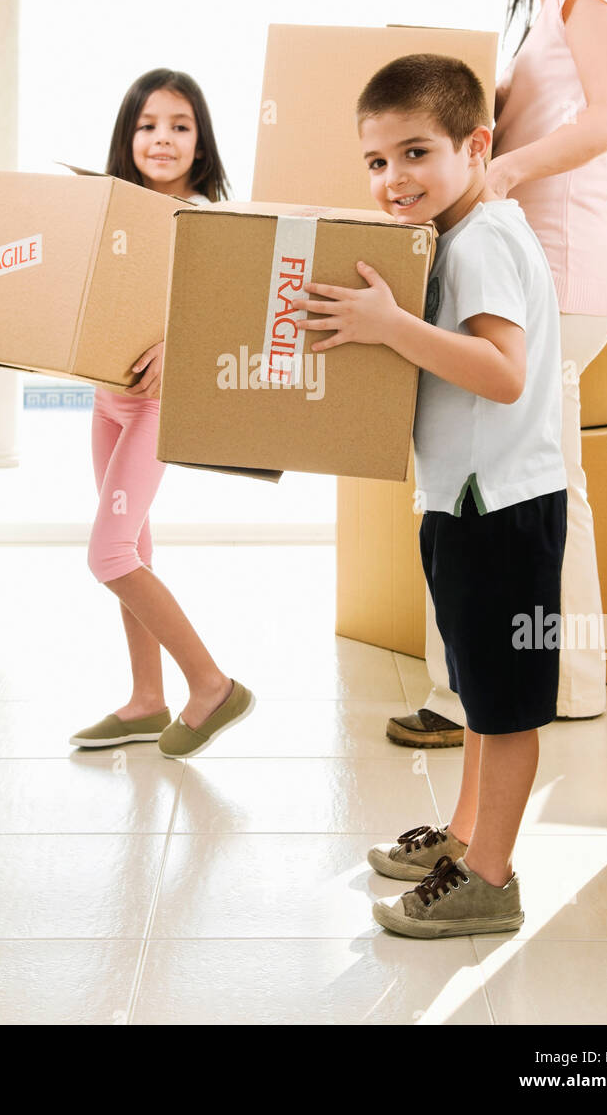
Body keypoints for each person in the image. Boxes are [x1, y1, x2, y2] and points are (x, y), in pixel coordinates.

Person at [296, 53, 566, 936]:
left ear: (475, 144)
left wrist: (390, 327)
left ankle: (491, 877)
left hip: (502, 509)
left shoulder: (483, 238)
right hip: (465, 503)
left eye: (415, 153)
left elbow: (501, 373)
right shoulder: (454, 235)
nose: (393, 179)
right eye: (377, 163)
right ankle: (463, 834)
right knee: (479, 689)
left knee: (507, 700)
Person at [390, 0, 607, 751]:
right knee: (532, 478)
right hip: (532, 270)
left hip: (562, 269)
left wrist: (502, 172)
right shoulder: (542, 5)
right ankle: (511, 682)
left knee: (535, 484)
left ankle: (549, 684)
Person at [69, 68, 255, 757]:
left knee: (109, 552)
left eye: (180, 125)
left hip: (159, 406)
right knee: (135, 544)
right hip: (106, 401)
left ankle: (210, 684)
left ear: (201, 144)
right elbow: (68, 301)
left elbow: (236, 308)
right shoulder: (109, 212)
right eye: (148, 125)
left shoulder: (209, 217)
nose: (162, 138)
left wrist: (180, 344)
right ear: (127, 137)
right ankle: (147, 700)